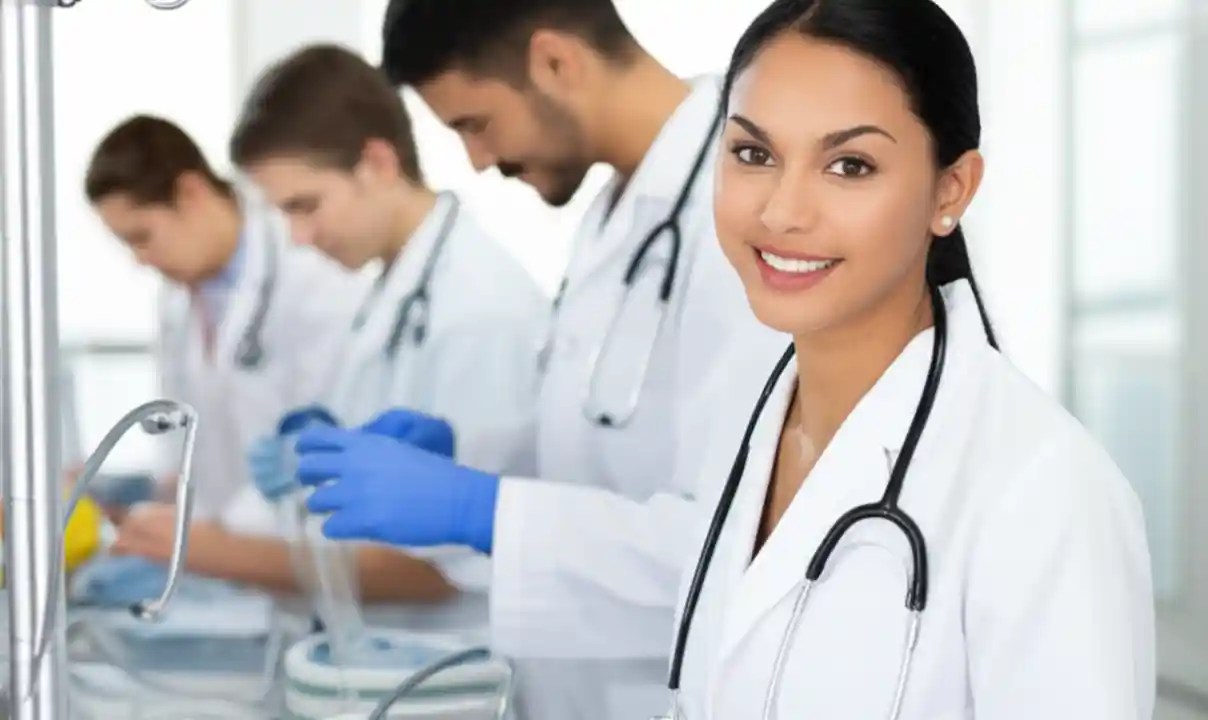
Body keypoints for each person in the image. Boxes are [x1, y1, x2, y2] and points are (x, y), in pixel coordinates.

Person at [663, 1, 1156, 717]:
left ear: (950, 190)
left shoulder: (1047, 491)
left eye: (849, 165)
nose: (780, 212)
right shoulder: (746, 423)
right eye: (754, 154)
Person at [284, 1, 752, 718]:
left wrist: (483, 508)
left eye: (474, 124)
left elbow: (734, 545)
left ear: (555, 62)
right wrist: (470, 464)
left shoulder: (746, 214)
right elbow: (601, 457)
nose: (475, 161)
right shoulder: (614, 214)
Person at [217, 43, 546, 631]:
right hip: (393, 657)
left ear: (377, 163)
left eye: (305, 205)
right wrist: (324, 449)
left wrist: (217, 552)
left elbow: (450, 568)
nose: (298, 237)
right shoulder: (393, 283)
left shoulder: (480, 307)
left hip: (455, 664)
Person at [81, 116, 362, 589]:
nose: (139, 260)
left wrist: (213, 539)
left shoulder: (311, 276)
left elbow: (321, 444)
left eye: (141, 236)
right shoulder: (177, 297)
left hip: (307, 560)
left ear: (190, 192)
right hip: (231, 567)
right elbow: (181, 444)